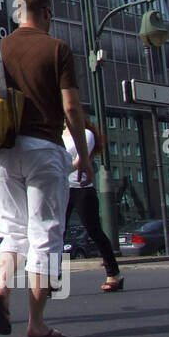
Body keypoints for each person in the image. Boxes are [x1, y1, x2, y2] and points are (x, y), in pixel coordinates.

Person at [0, 0, 91, 337]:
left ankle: (0, 290)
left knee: (13, 231)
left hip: (3, 152)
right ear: (47, 12)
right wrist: (82, 155)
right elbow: (71, 108)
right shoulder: (58, 49)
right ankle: (36, 323)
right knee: (46, 231)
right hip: (45, 149)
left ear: (17, 12)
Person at [62, 119, 123, 291]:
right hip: (61, 188)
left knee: (94, 230)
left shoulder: (85, 134)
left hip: (82, 188)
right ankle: (53, 279)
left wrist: (60, 170)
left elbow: (81, 159)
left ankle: (114, 274)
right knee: (57, 233)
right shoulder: (57, 135)